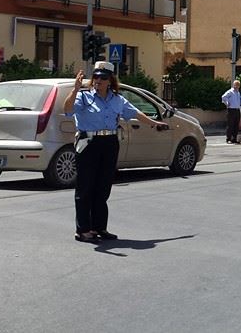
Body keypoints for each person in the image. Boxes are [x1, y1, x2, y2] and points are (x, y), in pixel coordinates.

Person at [63, 61, 168, 243]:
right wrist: (75, 89)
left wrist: (155, 123)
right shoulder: (84, 97)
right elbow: (67, 109)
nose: (98, 81)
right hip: (89, 142)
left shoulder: (117, 99)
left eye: (103, 78)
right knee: (85, 187)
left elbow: (134, 112)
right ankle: (83, 230)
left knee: (103, 187)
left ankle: (99, 227)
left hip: (110, 142)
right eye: (95, 77)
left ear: (110, 80)